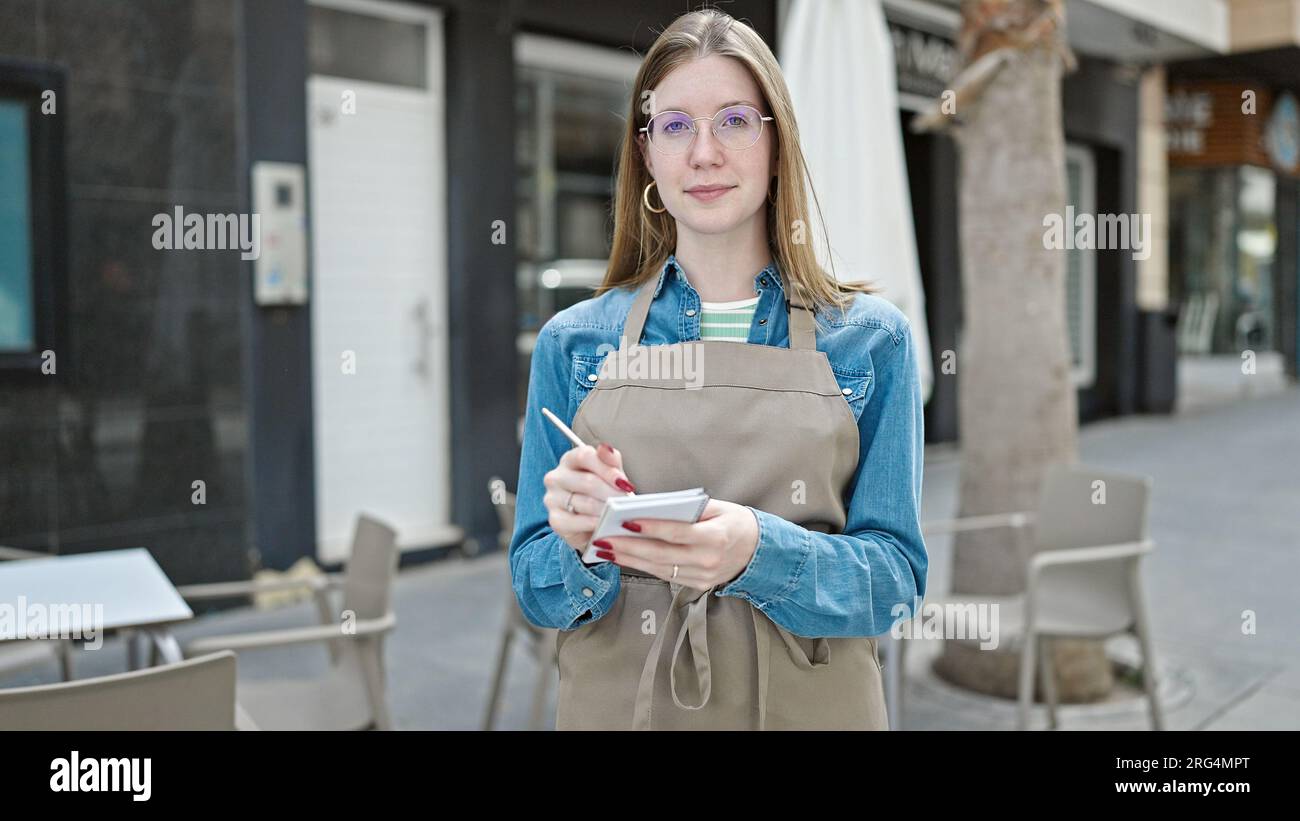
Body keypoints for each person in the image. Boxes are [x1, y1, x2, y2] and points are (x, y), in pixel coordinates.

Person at [508, 8, 927, 730]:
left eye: (734, 120)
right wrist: (578, 544)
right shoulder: (573, 344)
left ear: (775, 143)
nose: (703, 153)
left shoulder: (870, 341)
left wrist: (757, 553)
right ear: (646, 155)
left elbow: (894, 587)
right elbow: (534, 588)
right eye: (674, 126)